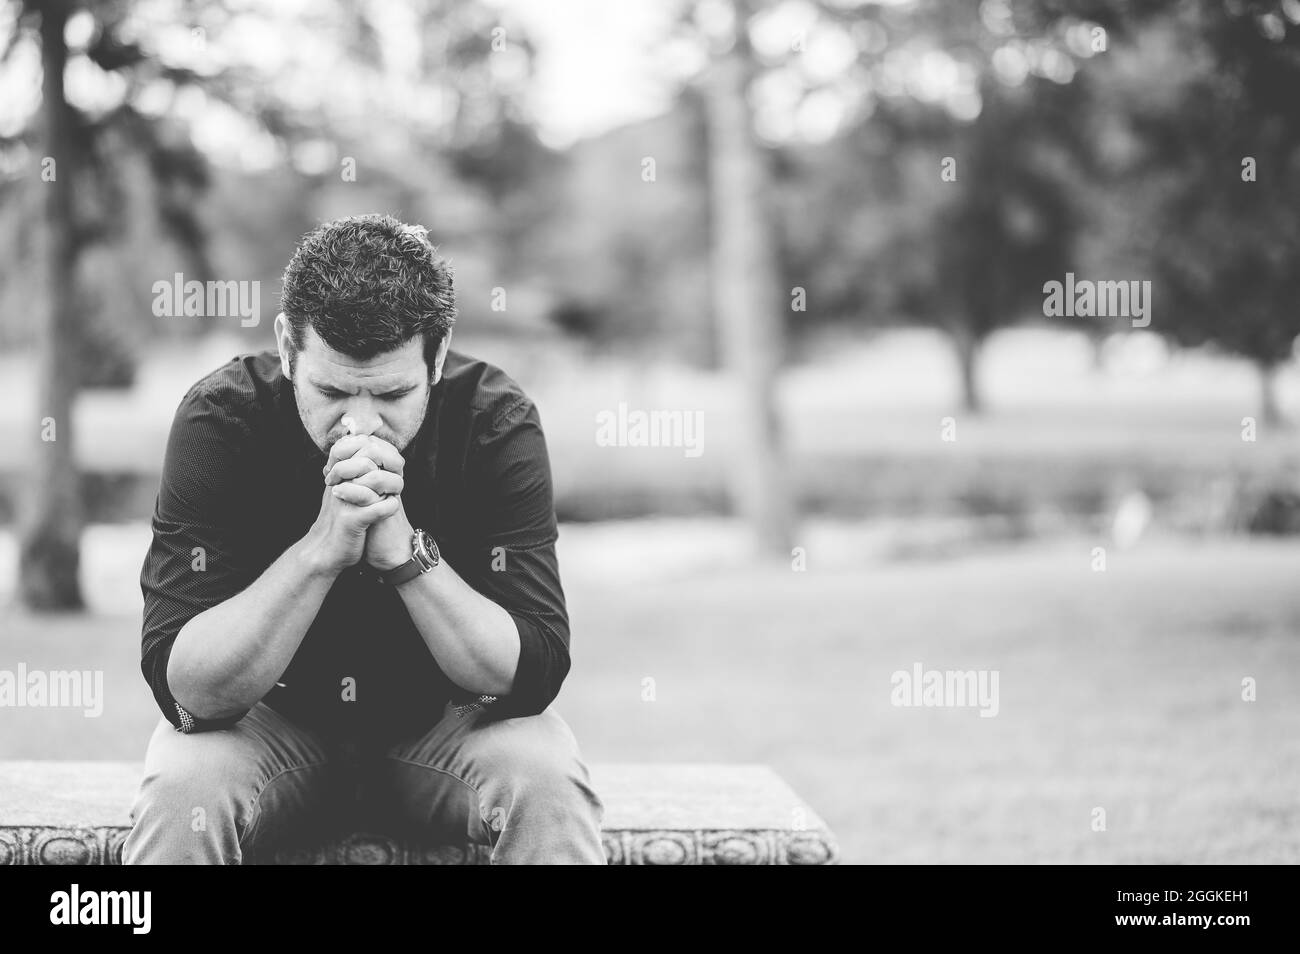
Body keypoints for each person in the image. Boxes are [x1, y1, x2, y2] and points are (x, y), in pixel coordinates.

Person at [122, 214, 605, 864]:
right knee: (186, 785)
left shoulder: (494, 420)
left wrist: (406, 555)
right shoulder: (222, 419)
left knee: (545, 774)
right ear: (288, 349)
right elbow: (188, 691)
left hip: (444, 729)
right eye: (330, 390)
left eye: (391, 393)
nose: (359, 423)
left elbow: (530, 673)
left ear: (437, 355)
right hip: (271, 726)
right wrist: (321, 551)